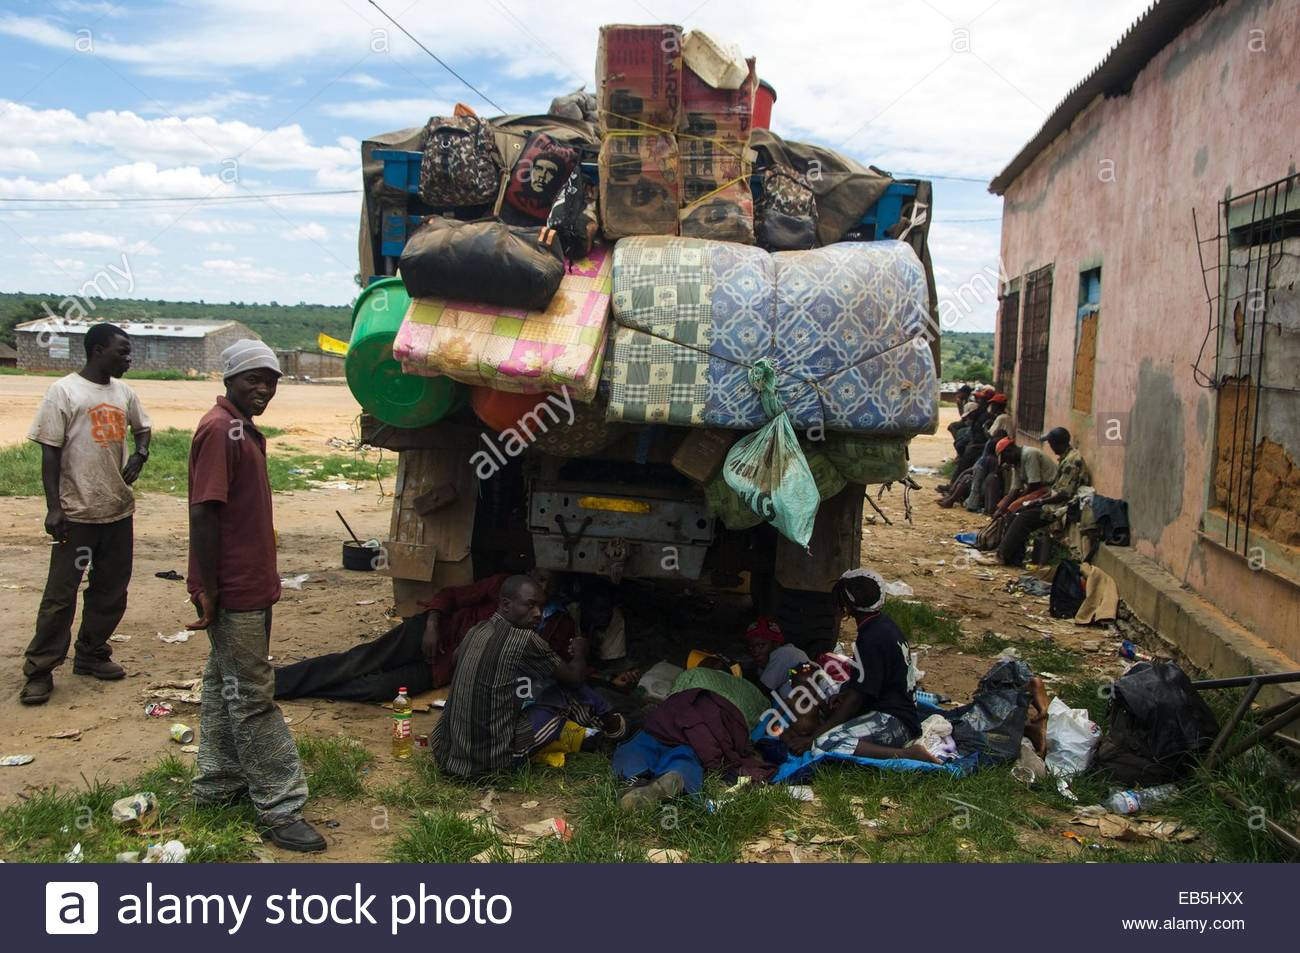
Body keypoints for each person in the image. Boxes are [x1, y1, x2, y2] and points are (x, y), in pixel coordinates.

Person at [186, 340, 323, 854]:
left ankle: (217, 785)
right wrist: (210, 589)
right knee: (252, 696)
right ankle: (280, 807)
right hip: (234, 589)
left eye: (272, 379)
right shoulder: (220, 429)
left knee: (226, 686)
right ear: (228, 380)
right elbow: (204, 511)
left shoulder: (240, 428)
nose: (264, 388)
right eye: (253, 379)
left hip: (249, 585)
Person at [20, 323, 151, 706]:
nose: (128, 359)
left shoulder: (125, 392)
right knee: (61, 596)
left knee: (111, 590)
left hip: (117, 511)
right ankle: (40, 670)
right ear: (97, 350)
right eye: (121, 352)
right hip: (77, 515)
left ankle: (92, 654)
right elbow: (50, 452)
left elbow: (143, 429)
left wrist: (140, 454)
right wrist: (54, 507)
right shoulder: (64, 391)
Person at [430, 574, 625, 779]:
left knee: (535, 690)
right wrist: (580, 651)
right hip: (490, 764)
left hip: (444, 753)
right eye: (530, 606)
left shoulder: (476, 630)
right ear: (505, 604)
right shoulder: (525, 640)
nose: (538, 614)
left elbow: (455, 660)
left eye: (541, 607)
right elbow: (574, 677)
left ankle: (607, 726)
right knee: (564, 693)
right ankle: (613, 727)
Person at [272, 567, 553, 702]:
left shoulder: (532, 626)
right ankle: (275, 683)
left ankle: (304, 687)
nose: (539, 590)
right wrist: (431, 624)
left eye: (546, 585)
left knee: (377, 689)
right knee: (359, 661)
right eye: (538, 578)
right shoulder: (502, 587)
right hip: (428, 634)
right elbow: (449, 595)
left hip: (437, 670)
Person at [782, 569, 938, 763]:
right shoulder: (882, 624)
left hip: (895, 722)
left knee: (825, 743)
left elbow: (856, 701)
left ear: (847, 607)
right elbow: (870, 682)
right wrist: (844, 695)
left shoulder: (870, 639)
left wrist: (811, 738)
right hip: (897, 712)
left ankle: (908, 754)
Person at [997, 427, 1093, 566]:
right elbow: (1056, 489)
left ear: (1056, 443)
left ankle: (1004, 555)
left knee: (1023, 518)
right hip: (1055, 501)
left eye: (1051, 443)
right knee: (1018, 512)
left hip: (1063, 506)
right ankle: (1012, 556)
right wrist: (1035, 501)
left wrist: (1039, 501)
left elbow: (1064, 494)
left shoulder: (1072, 462)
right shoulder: (1066, 458)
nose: (1050, 447)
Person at [743, 615, 810, 699]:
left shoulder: (782, 654)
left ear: (775, 644)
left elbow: (759, 694)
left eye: (761, 645)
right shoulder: (764, 666)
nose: (755, 651)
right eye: (751, 647)